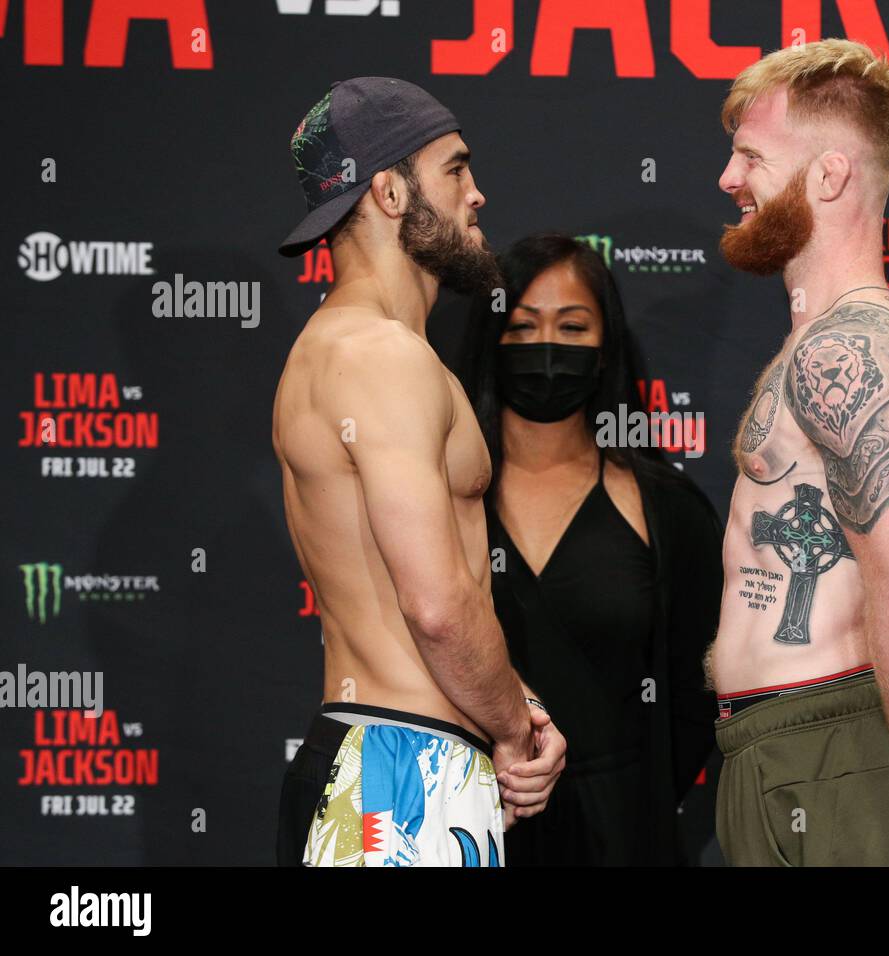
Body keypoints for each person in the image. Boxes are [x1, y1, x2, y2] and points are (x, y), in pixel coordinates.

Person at [708, 40, 889, 866]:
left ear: (830, 175)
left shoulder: (850, 349)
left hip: (820, 754)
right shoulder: (845, 338)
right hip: (801, 749)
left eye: (751, 156)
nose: (728, 180)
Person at [271, 77, 565, 867]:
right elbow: (435, 605)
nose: (478, 194)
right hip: (396, 780)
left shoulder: (350, 350)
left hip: (396, 764)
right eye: (457, 169)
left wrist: (519, 710)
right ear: (391, 192)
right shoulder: (380, 357)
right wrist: (515, 729)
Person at [457, 233, 722, 865]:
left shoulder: (667, 509)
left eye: (572, 326)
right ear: (491, 342)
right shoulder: (442, 503)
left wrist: (637, 805)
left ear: (606, 347)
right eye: (522, 327)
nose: (546, 348)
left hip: (626, 834)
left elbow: (700, 691)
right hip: (470, 827)